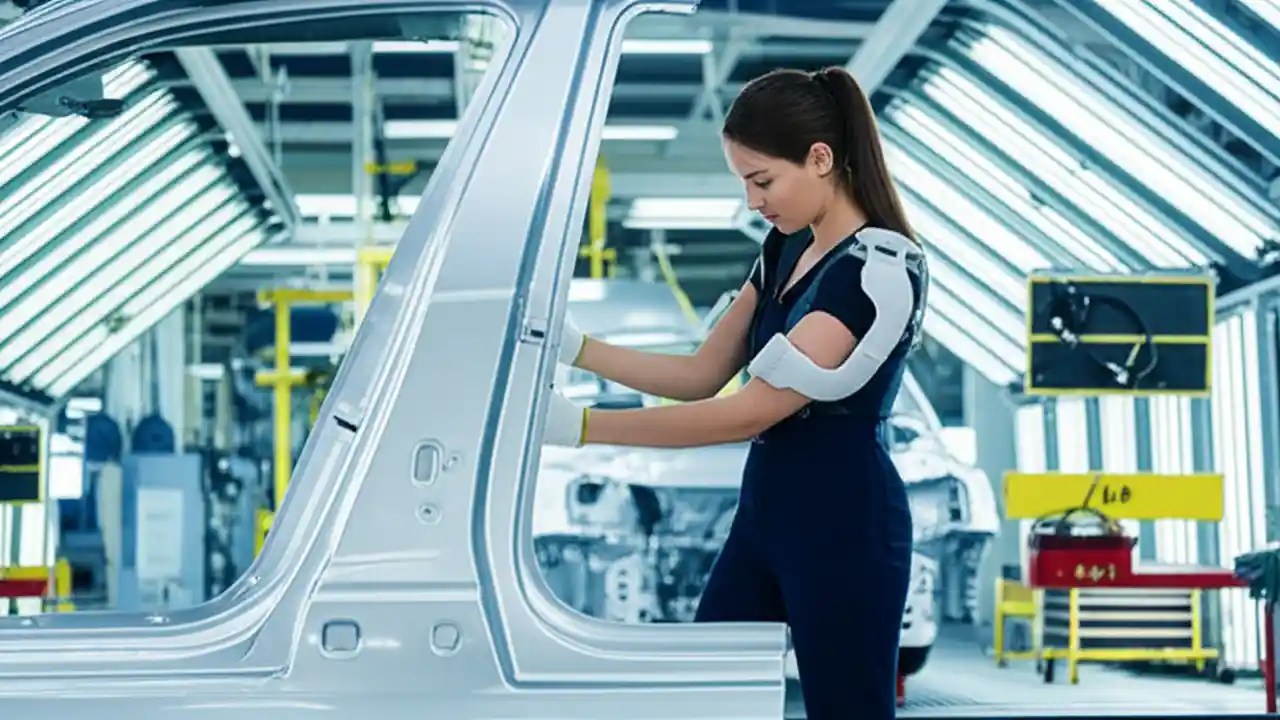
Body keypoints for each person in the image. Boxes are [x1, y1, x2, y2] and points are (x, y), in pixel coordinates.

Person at [542, 65, 928, 719]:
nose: (753, 201)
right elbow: (701, 375)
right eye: (744, 182)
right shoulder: (783, 250)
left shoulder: (871, 273)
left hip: (846, 521)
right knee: (708, 696)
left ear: (820, 159)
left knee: (847, 710)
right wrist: (576, 346)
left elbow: (749, 412)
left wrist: (582, 427)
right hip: (765, 516)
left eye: (762, 180)